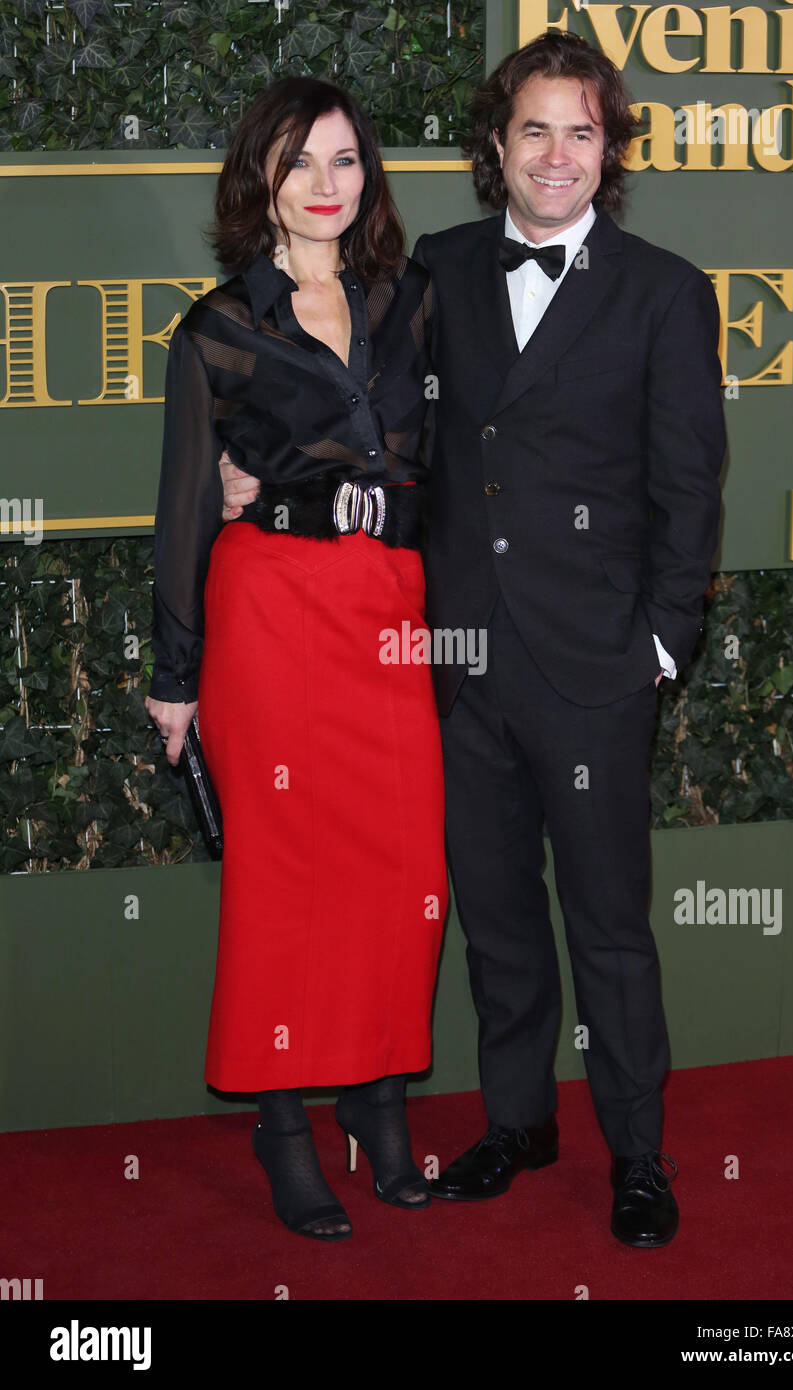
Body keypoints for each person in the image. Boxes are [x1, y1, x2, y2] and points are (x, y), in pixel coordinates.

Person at [219, 32, 727, 1248]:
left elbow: (691, 488)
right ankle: (516, 1121)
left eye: (580, 132)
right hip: (453, 662)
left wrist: (658, 648)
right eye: (532, 131)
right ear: (494, 149)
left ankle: (638, 1155)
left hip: (596, 666)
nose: (555, 156)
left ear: (609, 152)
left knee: (605, 923)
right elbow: (349, 397)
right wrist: (259, 472)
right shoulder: (431, 274)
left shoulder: (663, 290)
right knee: (494, 915)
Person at [144, 76, 447, 1243]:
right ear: (259, 182)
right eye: (299, 163)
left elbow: (444, 452)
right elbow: (181, 509)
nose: (326, 186)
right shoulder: (218, 326)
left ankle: (376, 1101)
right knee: (284, 878)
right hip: (267, 608)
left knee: (397, 862)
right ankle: (283, 1121)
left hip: (387, 605)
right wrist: (177, 678)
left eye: (345, 161)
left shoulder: (409, 300)